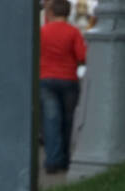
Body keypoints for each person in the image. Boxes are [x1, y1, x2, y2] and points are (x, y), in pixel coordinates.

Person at [39, 0, 84, 173]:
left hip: (46, 79)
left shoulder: (43, 31)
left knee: (51, 121)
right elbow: (82, 56)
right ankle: (64, 159)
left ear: (51, 12)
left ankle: (52, 160)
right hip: (68, 79)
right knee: (67, 120)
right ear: (68, 12)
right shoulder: (73, 32)